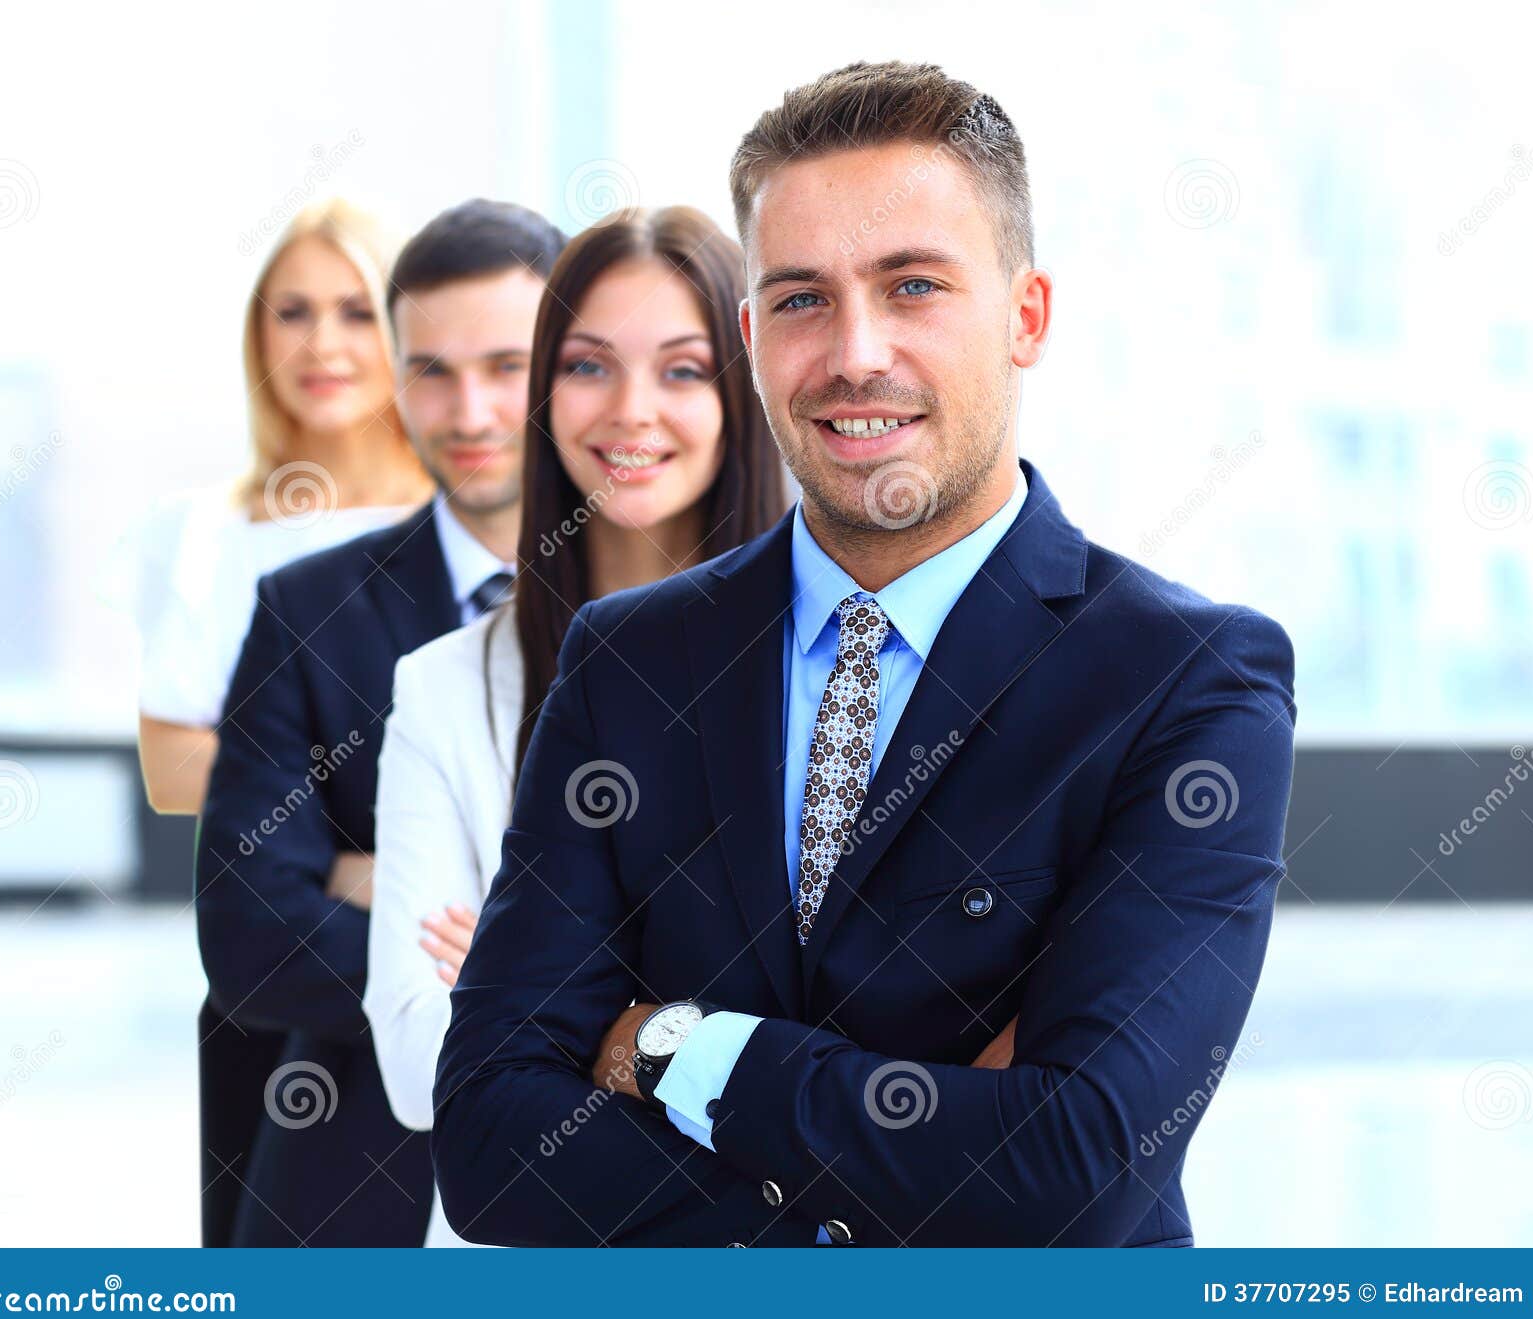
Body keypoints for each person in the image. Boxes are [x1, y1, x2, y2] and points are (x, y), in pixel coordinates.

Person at [432, 61, 1297, 1248]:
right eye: (798, 300)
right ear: (748, 338)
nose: (853, 353)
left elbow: (1079, 1164)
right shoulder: (628, 662)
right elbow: (489, 1150)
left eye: (914, 287)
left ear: (1025, 316)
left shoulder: (1184, 682)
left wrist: (680, 1047)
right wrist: (941, 1138)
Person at [362, 206, 788, 1246]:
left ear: (743, 390)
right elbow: (424, 1073)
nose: (631, 411)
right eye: (590, 367)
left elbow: (891, 1045)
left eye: (684, 370)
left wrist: (546, 1005)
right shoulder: (447, 687)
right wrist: (721, 1043)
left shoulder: (830, 655)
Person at [193, 199, 564, 1246]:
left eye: (507, 365)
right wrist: (538, 961)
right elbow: (247, 933)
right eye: (431, 371)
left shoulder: (667, 605)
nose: (470, 410)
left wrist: (390, 877)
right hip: (353, 1192)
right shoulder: (307, 612)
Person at [107, 198, 431, 1248]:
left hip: (446, 954)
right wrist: (325, 855)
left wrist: (386, 856)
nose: (322, 344)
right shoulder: (206, 534)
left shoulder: (474, 521)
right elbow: (169, 764)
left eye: (353, 310)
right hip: (282, 971)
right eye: (291, 313)